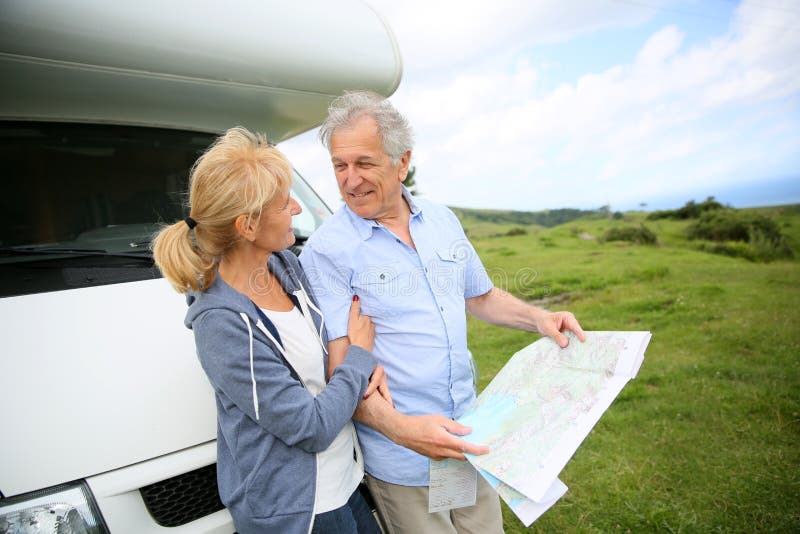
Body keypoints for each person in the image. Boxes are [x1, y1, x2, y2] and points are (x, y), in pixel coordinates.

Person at [299, 91, 587, 534]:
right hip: (403, 459)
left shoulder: (441, 220)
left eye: (365, 163)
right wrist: (403, 431)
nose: (350, 180)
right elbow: (343, 372)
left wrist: (539, 319)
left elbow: (480, 296)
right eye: (340, 165)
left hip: (467, 436)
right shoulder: (326, 251)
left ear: (403, 162)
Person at [151, 126, 386, 534]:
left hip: (346, 484)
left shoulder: (285, 267)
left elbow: (328, 352)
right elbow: (310, 427)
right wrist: (361, 358)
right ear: (246, 226)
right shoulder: (221, 325)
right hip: (299, 513)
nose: (296, 208)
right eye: (283, 203)